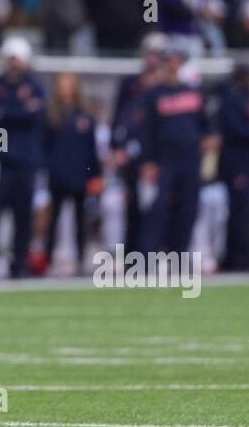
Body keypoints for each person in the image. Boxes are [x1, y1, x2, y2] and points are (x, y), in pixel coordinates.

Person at [0, 35, 46, 277]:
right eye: (11, 59)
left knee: (23, 218)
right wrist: (18, 111)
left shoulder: (35, 87)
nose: (14, 64)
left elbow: (33, 116)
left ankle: (19, 264)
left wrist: (7, 113)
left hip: (25, 162)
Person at [138, 43, 212, 254]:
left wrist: (207, 139)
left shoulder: (193, 92)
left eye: (175, 60)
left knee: (188, 209)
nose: (172, 65)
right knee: (159, 208)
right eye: (168, 60)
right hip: (165, 159)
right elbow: (147, 130)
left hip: (190, 158)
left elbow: (205, 126)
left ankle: (179, 255)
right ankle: (149, 256)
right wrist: (149, 161)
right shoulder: (154, 95)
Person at [110, 32, 167, 252]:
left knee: (158, 206)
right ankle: (133, 256)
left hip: (159, 155)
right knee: (132, 206)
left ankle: (157, 252)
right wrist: (116, 147)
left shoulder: (167, 87)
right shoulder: (131, 84)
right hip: (134, 153)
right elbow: (120, 118)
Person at [41, 71, 100, 275]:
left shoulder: (84, 115)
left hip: (79, 175)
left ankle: (81, 260)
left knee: (80, 221)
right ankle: (46, 260)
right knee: (53, 220)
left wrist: (94, 175)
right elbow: (45, 146)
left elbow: (91, 149)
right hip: (58, 175)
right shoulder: (51, 115)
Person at [212, 61, 249, 271]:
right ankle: (239, 258)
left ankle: (240, 256)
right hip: (237, 162)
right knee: (240, 211)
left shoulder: (243, 98)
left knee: (243, 210)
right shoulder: (231, 100)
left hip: (246, 162)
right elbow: (237, 129)